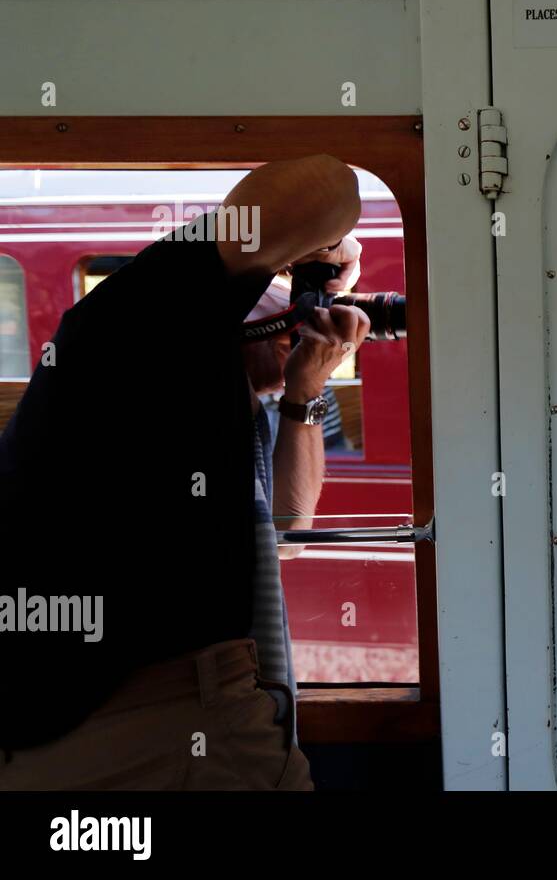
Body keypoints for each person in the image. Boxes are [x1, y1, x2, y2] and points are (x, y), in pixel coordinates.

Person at [0, 154, 368, 789]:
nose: (292, 331)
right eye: (275, 310)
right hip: (141, 712)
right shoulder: (131, 319)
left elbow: (289, 522)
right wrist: (323, 251)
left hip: (119, 711)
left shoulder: (215, 411)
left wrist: (304, 395)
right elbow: (327, 186)